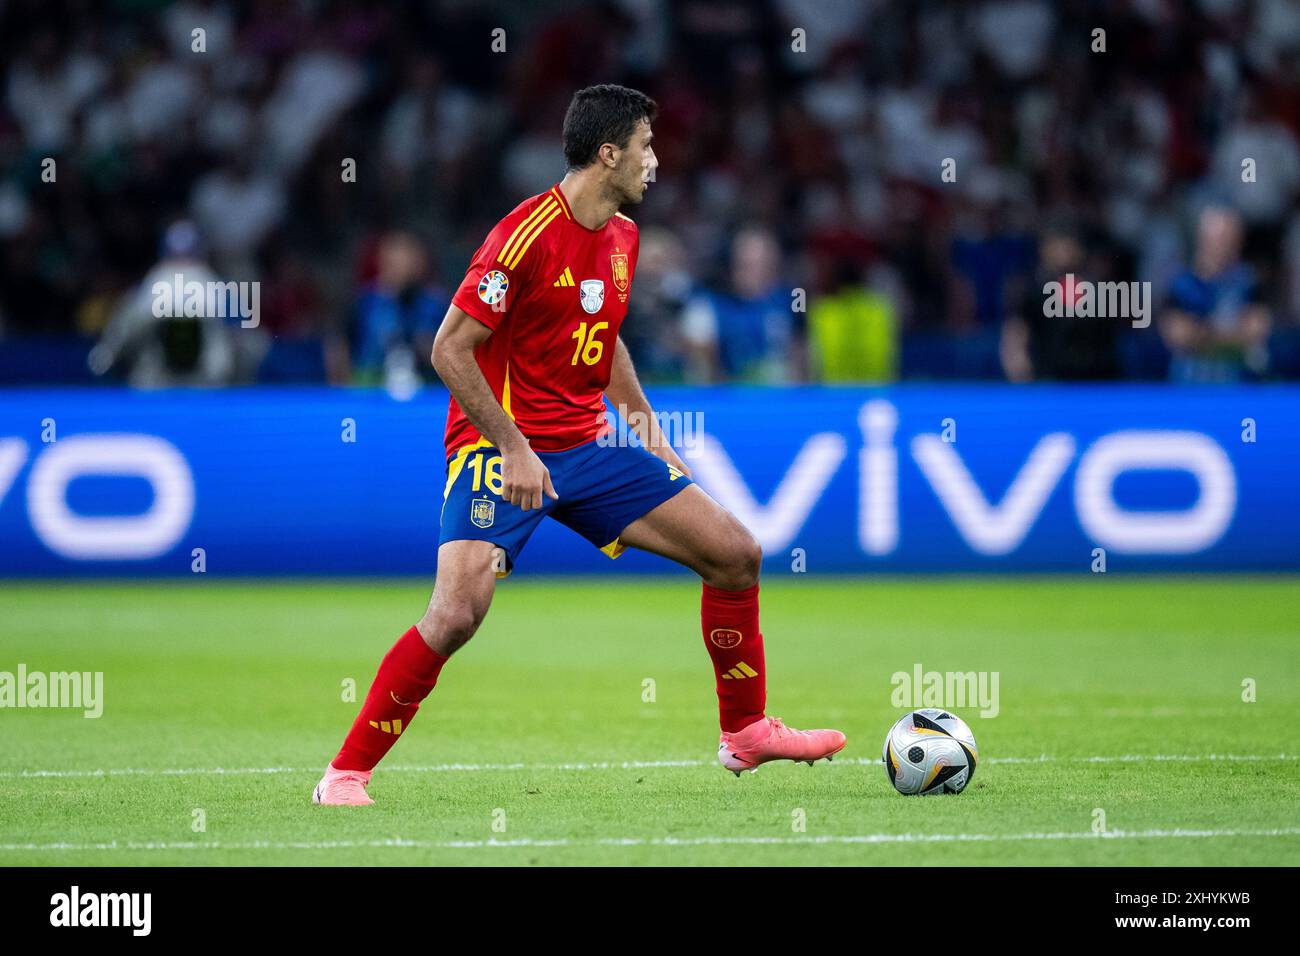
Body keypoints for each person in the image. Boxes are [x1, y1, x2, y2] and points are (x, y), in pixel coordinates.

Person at [313, 85, 844, 805]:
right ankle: (345, 774)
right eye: (646, 147)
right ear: (608, 153)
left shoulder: (622, 237)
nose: (655, 162)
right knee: (458, 612)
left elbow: (606, 342)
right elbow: (448, 350)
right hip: (495, 449)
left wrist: (649, 435)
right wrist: (513, 446)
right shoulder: (522, 237)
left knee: (735, 554)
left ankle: (745, 734)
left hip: (583, 447)